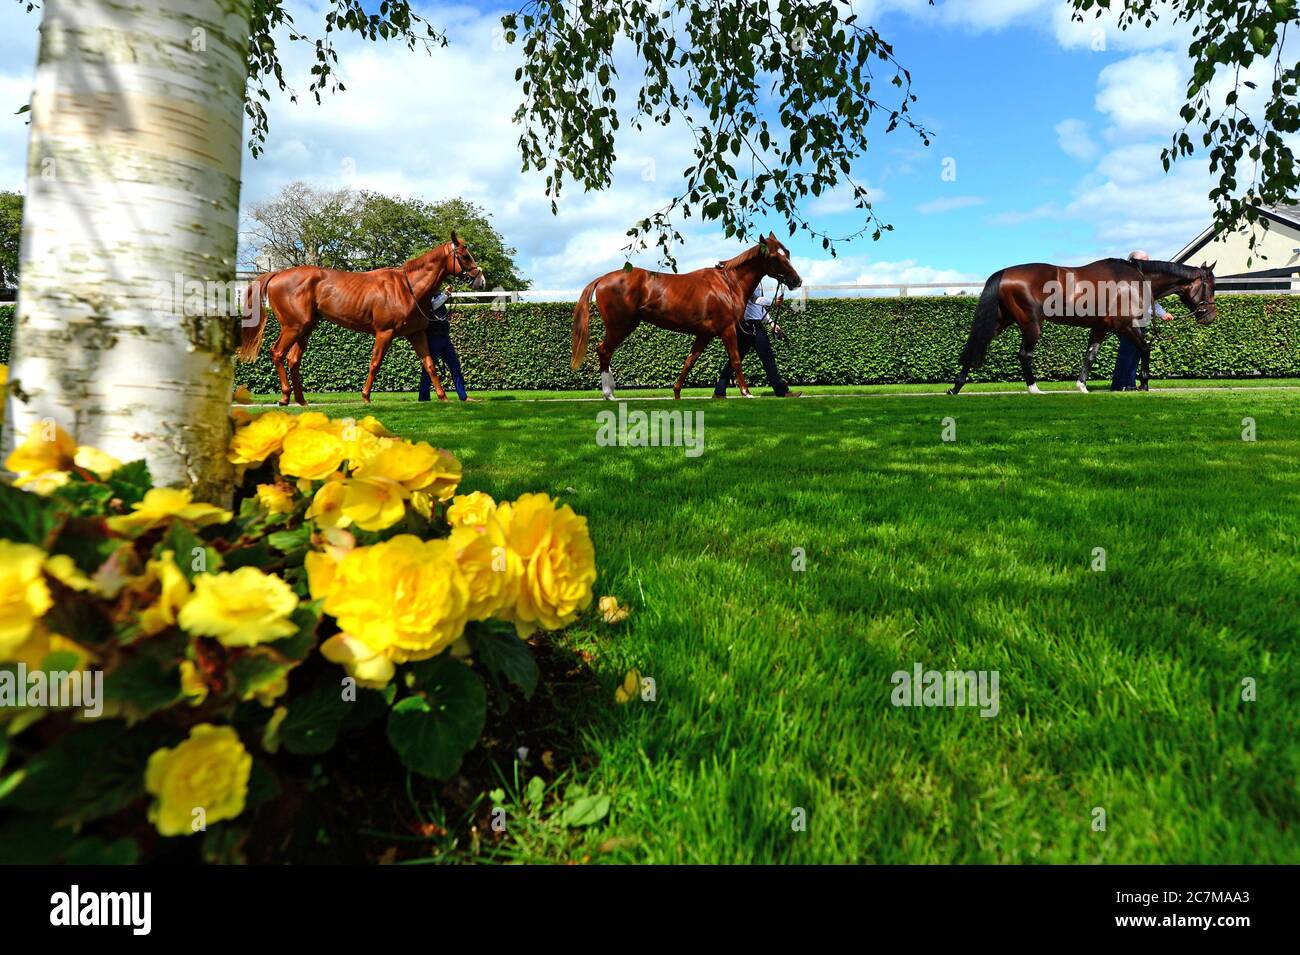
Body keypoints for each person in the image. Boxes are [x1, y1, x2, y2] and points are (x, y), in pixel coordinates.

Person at [713, 285, 801, 398]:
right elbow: (754, 298)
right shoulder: (748, 280)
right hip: (746, 327)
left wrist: (771, 323)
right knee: (736, 360)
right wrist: (773, 302)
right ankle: (719, 392)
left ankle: (782, 392)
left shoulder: (759, 283)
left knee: (766, 358)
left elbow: (760, 308)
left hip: (756, 325)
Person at [1112, 250, 1172, 391]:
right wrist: (1160, 313)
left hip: (1140, 320)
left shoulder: (1142, 279)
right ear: (1134, 262)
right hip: (1130, 320)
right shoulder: (1130, 280)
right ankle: (1119, 385)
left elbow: (1150, 301)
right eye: (1144, 260)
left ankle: (1130, 384)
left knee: (1135, 353)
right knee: (1127, 353)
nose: (1148, 263)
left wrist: (1162, 313)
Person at [418, 288, 474, 402]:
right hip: (433, 337)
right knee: (429, 369)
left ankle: (463, 396)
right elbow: (432, 306)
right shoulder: (426, 295)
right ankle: (423, 398)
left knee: (455, 367)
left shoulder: (438, 293)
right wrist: (445, 295)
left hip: (444, 337)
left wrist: (444, 295)